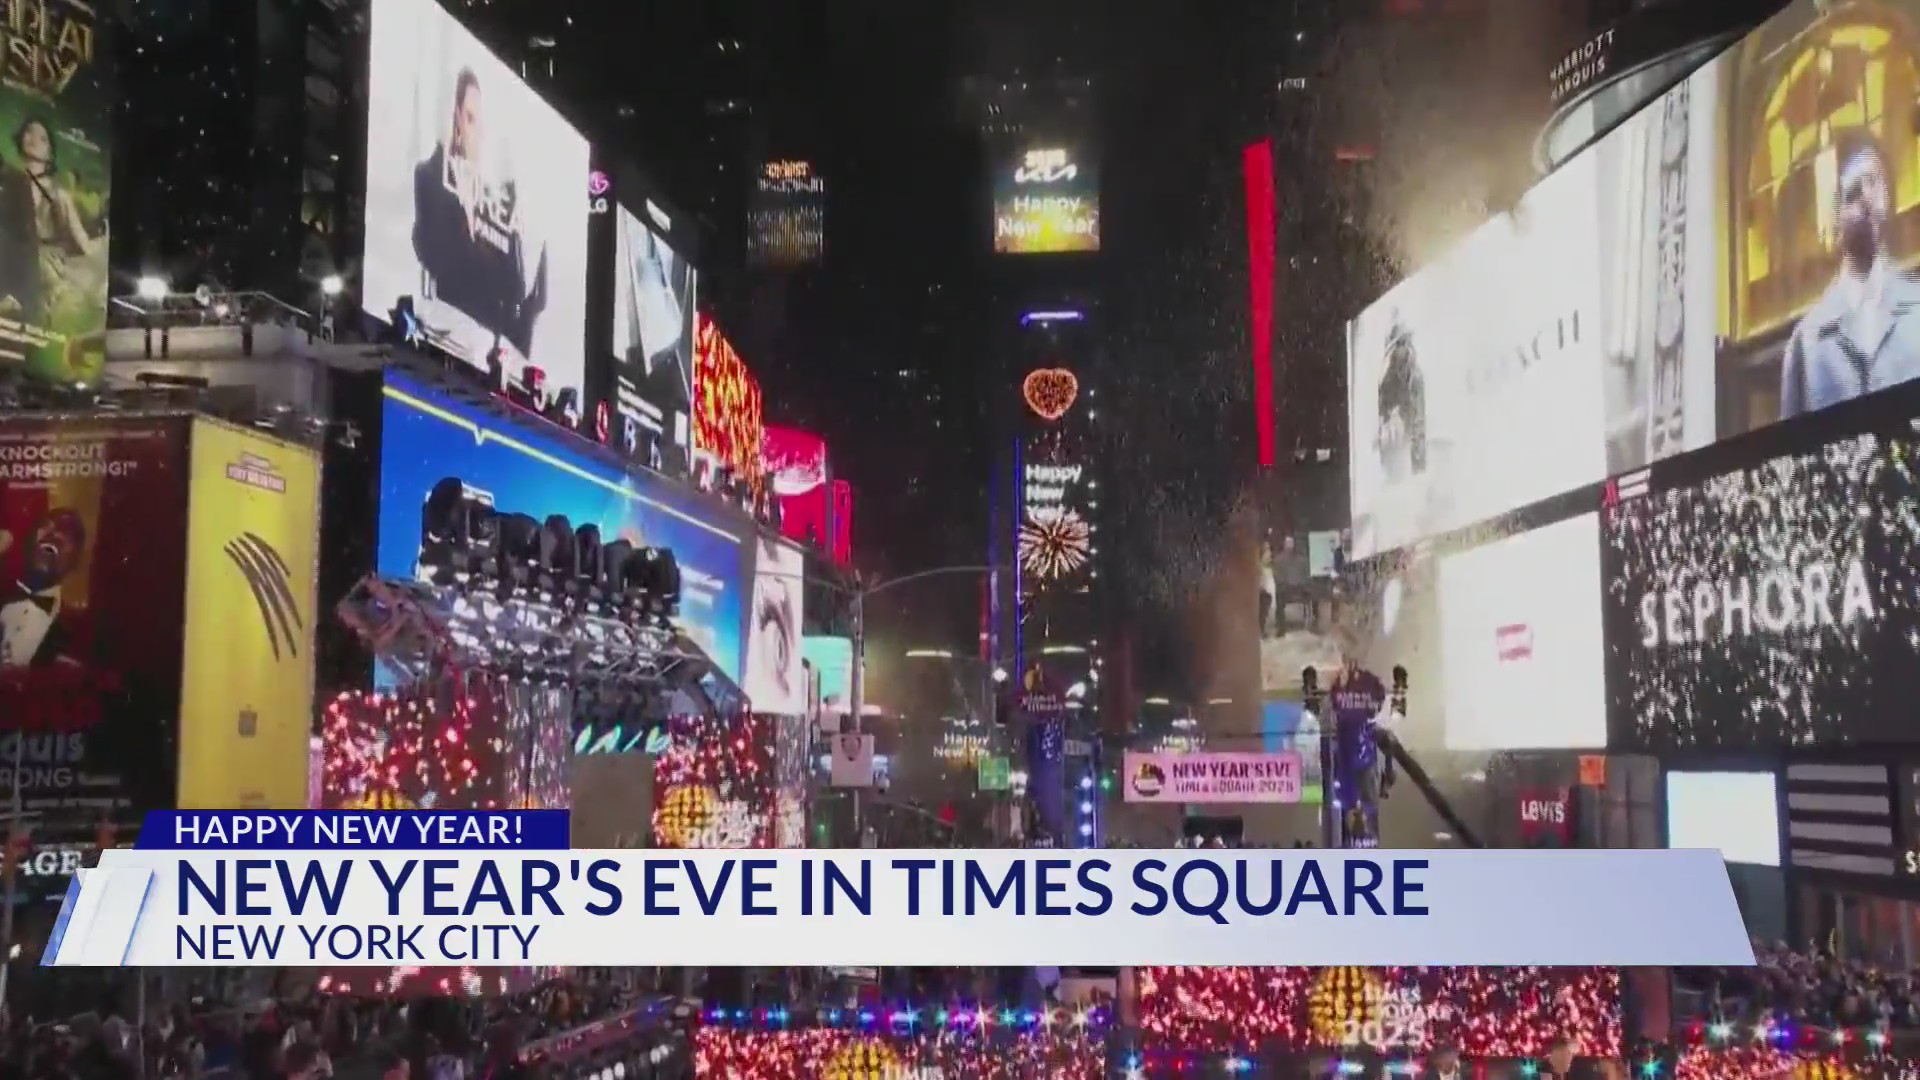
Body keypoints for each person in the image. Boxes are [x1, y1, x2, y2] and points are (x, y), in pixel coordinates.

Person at [410, 66, 546, 369]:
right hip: (446, 344)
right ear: (456, 119)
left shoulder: (497, 205)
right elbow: (439, 257)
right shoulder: (430, 176)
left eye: (479, 120)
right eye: (469, 118)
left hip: (491, 359)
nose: (476, 133)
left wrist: (517, 239)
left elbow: (515, 290)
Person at [1779, 133, 1920, 419]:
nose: (1866, 199)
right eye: (1853, 191)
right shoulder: (1807, 341)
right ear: (1833, 216)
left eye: (1874, 183)